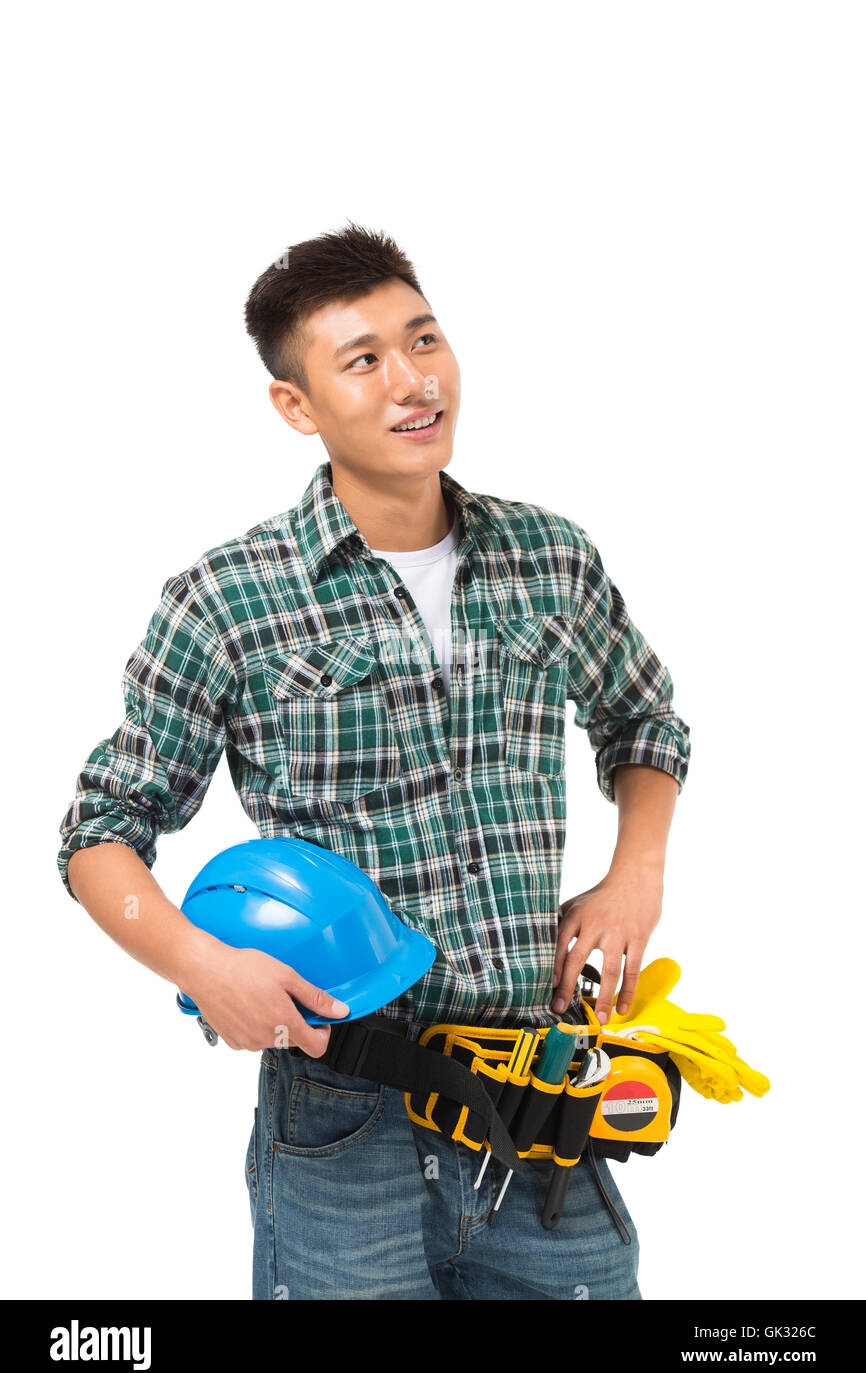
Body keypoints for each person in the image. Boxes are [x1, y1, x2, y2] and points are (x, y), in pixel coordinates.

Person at [58, 221, 691, 1301]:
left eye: (424, 339)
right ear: (295, 407)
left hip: (536, 1099)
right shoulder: (228, 598)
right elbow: (100, 831)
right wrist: (199, 965)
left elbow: (644, 724)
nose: (412, 381)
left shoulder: (550, 557)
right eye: (362, 360)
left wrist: (635, 871)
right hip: (342, 1122)